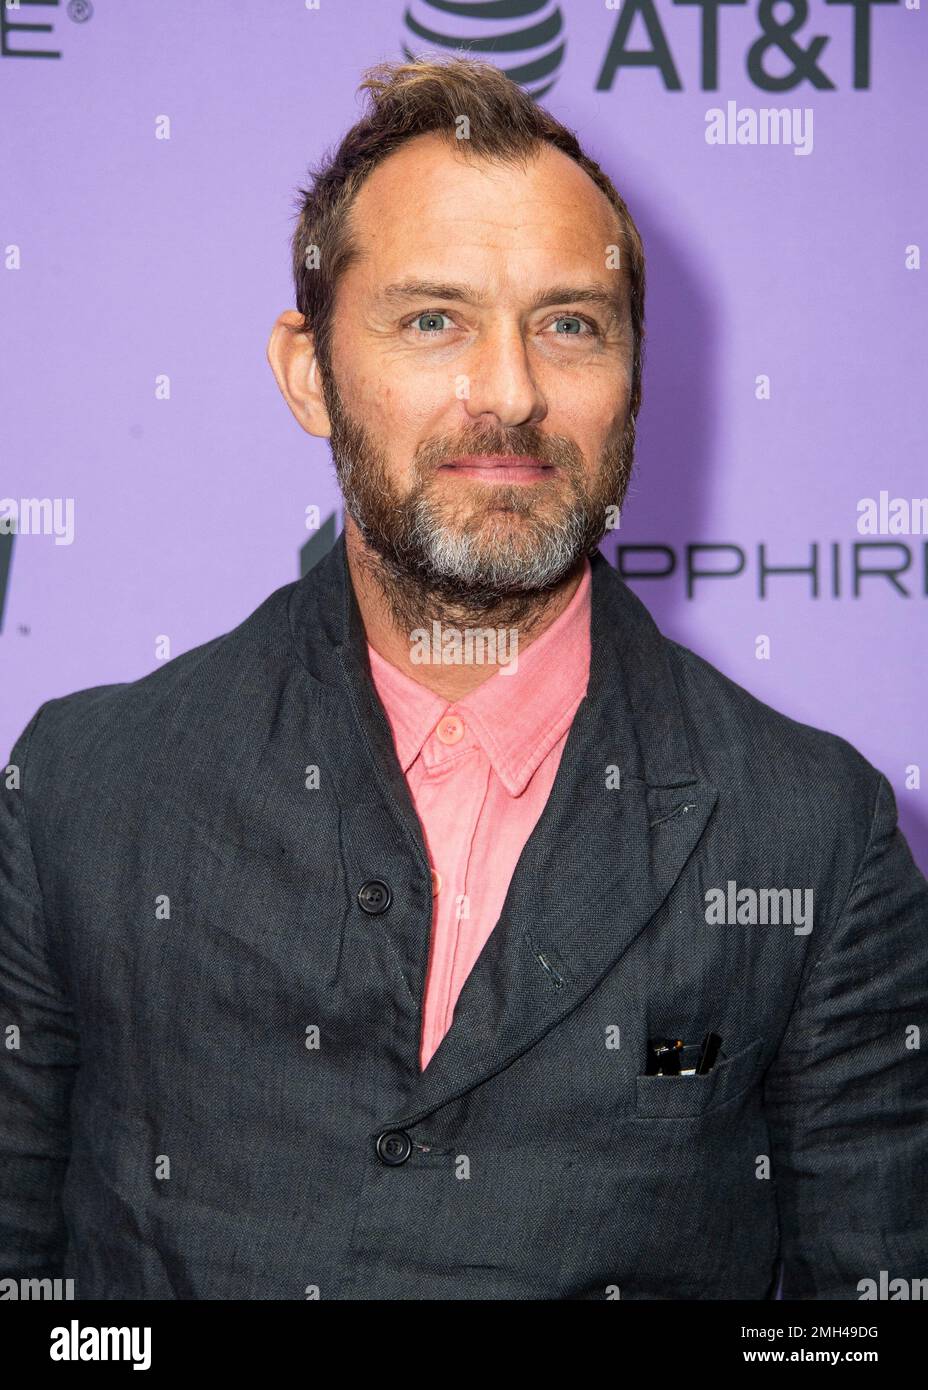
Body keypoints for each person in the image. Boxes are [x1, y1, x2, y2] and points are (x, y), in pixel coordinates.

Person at [1, 56, 925, 1301]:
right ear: (308, 370)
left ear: (635, 386)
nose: (511, 393)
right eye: (432, 319)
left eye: (570, 324)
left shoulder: (815, 833)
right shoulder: (77, 793)